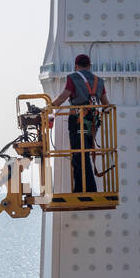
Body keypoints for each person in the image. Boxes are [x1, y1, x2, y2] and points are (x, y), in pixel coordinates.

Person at [50, 54, 109, 194]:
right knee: (85, 153)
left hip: (78, 121)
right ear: (89, 66)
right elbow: (106, 104)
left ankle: (85, 189)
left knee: (78, 155)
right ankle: (84, 188)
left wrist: (49, 107)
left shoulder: (73, 78)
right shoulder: (99, 81)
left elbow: (64, 96)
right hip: (93, 122)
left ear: (76, 66)